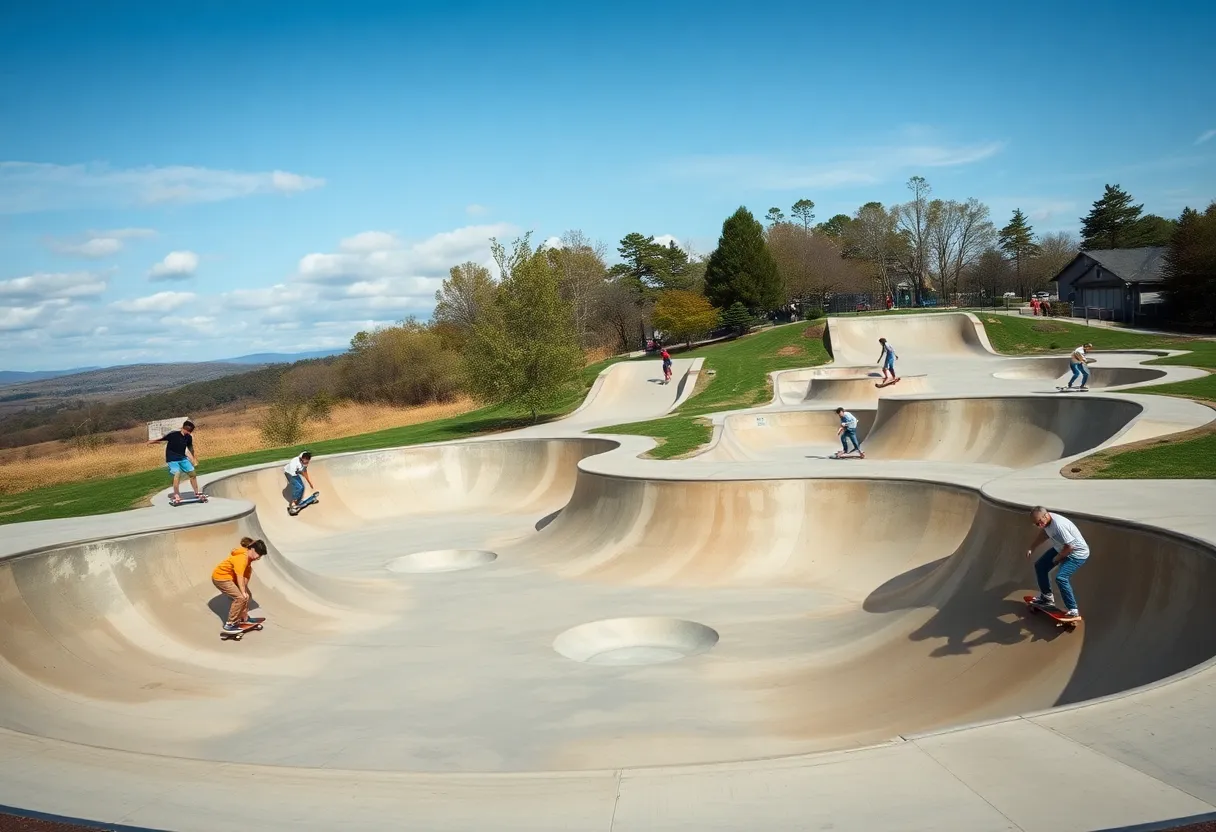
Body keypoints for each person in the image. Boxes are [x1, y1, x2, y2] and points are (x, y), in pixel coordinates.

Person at [1026, 506, 1089, 621]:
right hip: (1061, 548)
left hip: (1077, 554)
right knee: (1040, 566)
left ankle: (1073, 610)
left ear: (1046, 515)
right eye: (1036, 524)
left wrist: (1058, 558)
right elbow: (1044, 534)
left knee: (1061, 578)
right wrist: (1032, 547)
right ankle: (1047, 598)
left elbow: (1070, 547)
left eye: (1040, 522)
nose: (1039, 525)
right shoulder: (1046, 523)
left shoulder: (1059, 525)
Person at [211, 537, 268, 632]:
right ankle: (230, 624)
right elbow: (239, 576)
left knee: (247, 595)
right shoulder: (242, 558)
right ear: (252, 549)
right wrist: (242, 592)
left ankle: (243, 618)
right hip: (221, 578)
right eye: (258, 554)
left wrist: (245, 593)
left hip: (230, 579)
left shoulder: (249, 560)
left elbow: (244, 580)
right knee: (240, 597)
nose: (259, 557)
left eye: (261, 556)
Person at [148, 420, 203, 505]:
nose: (188, 433)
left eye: (190, 432)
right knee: (177, 474)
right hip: (172, 459)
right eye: (187, 431)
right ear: (183, 428)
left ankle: (196, 492)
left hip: (183, 458)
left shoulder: (189, 437)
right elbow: (162, 440)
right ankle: (176, 494)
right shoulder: (173, 435)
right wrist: (151, 441)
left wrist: (193, 458)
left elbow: (190, 447)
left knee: (193, 474)